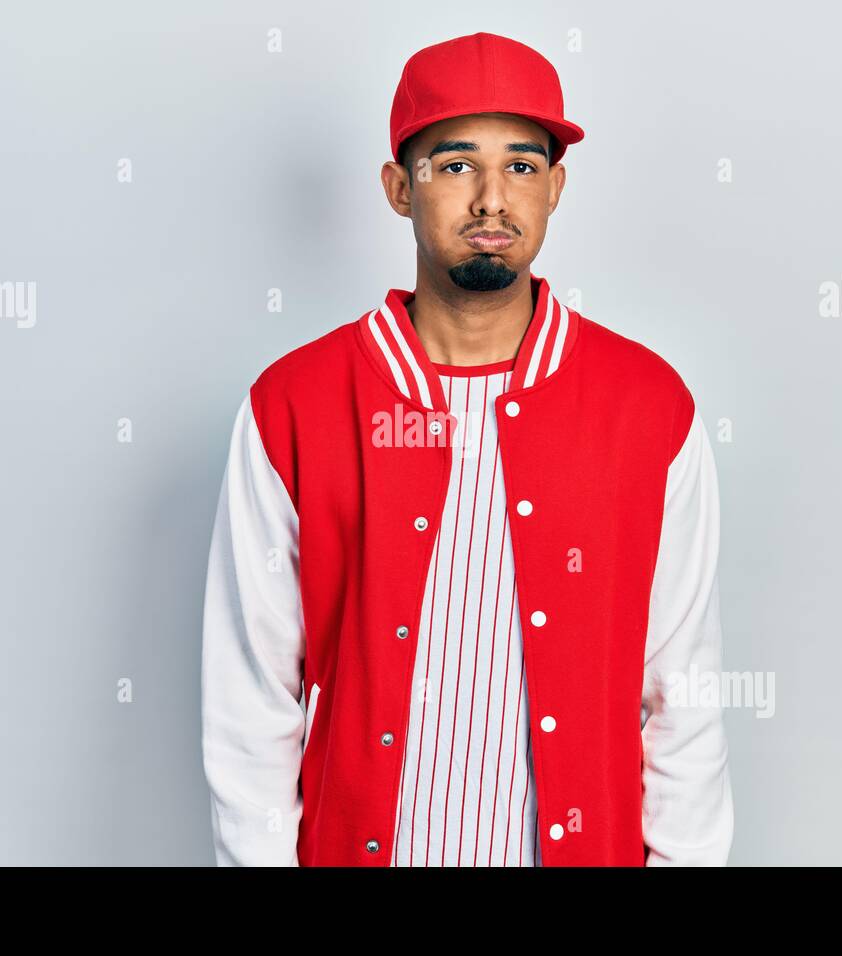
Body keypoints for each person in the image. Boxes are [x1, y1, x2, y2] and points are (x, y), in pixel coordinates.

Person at [201, 31, 733, 866]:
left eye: (521, 166)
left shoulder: (649, 409)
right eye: (454, 165)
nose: (491, 198)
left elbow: (682, 697)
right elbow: (251, 700)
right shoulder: (295, 406)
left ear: (555, 188)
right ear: (397, 187)